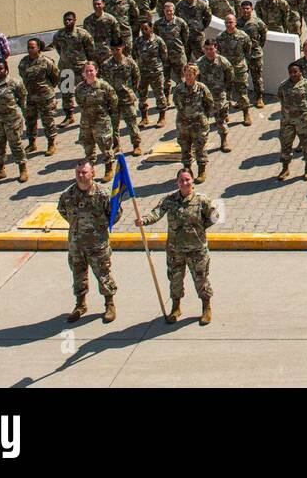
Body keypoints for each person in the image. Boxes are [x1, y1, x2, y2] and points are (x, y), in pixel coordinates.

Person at [138, 167, 219, 326]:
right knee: (175, 280)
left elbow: (214, 216)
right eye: (181, 180)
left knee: (201, 280)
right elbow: (156, 213)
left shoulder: (202, 200)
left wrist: (201, 228)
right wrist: (143, 221)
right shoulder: (169, 200)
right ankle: (176, 308)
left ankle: (206, 308)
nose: (184, 183)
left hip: (197, 250)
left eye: (187, 179)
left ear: (193, 181)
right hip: (175, 250)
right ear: (177, 182)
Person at [58, 158, 118, 324]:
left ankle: (109, 304)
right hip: (76, 244)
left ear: (92, 173)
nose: (81, 176)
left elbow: (115, 214)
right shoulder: (68, 195)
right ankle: (80, 304)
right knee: (78, 275)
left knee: (103, 274)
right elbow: (62, 210)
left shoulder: (102, 194)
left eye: (84, 172)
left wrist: (100, 228)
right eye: (78, 173)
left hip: (97, 245)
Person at [0, 58, 29, 183]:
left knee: (16, 144)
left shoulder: (14, 83)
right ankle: (0, 170)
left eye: (0, 69)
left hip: (12, 119)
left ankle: (23, 169)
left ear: (6, 69)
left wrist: (23, 115)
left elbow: (22, 98)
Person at [277, 60, 307, 181]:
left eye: (295, 72)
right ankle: (285, 168)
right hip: (287, 121)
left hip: (304, 120)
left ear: (300, 72)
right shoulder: (283, 86)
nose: (292, 74)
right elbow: (281, 98)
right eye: (290, 72)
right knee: (286, 145)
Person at [75, 62, 118, 181]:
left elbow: (113, 100)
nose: (89, 73)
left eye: (91, 70)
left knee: (105, 148)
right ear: (83, 73)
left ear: (96, 71)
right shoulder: (79, 88)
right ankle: (90, 171)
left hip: (101, 122)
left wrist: (106, 113)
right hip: (86, 123)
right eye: (86, 71)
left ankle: (108, 170)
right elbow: (79, 102)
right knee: (88, 148)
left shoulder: (104, 86)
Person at [173, 63, 216, 180]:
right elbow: (176, 103)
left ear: (195, 75)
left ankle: (201, 172)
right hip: (183, 125)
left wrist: (203, 116)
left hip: (199, 125)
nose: (188, 77)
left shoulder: (201, 88)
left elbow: (210, 103)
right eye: (186, 74)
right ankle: (188, 172)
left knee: (200, 148)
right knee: (185, 149)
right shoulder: (178, 89)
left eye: (190, 74)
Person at [18, 38, 59, 156]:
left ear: (39, 48)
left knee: (47, 121)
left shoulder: (46, 61)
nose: (30, 50)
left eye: (32, 47)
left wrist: (47, 88)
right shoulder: (23, 62)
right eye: (28, 47)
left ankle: (51, 144)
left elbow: (55, 77)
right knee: (30, 121)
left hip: (45, 97)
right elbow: (22, 75)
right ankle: (32, 143)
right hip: (30, 97)